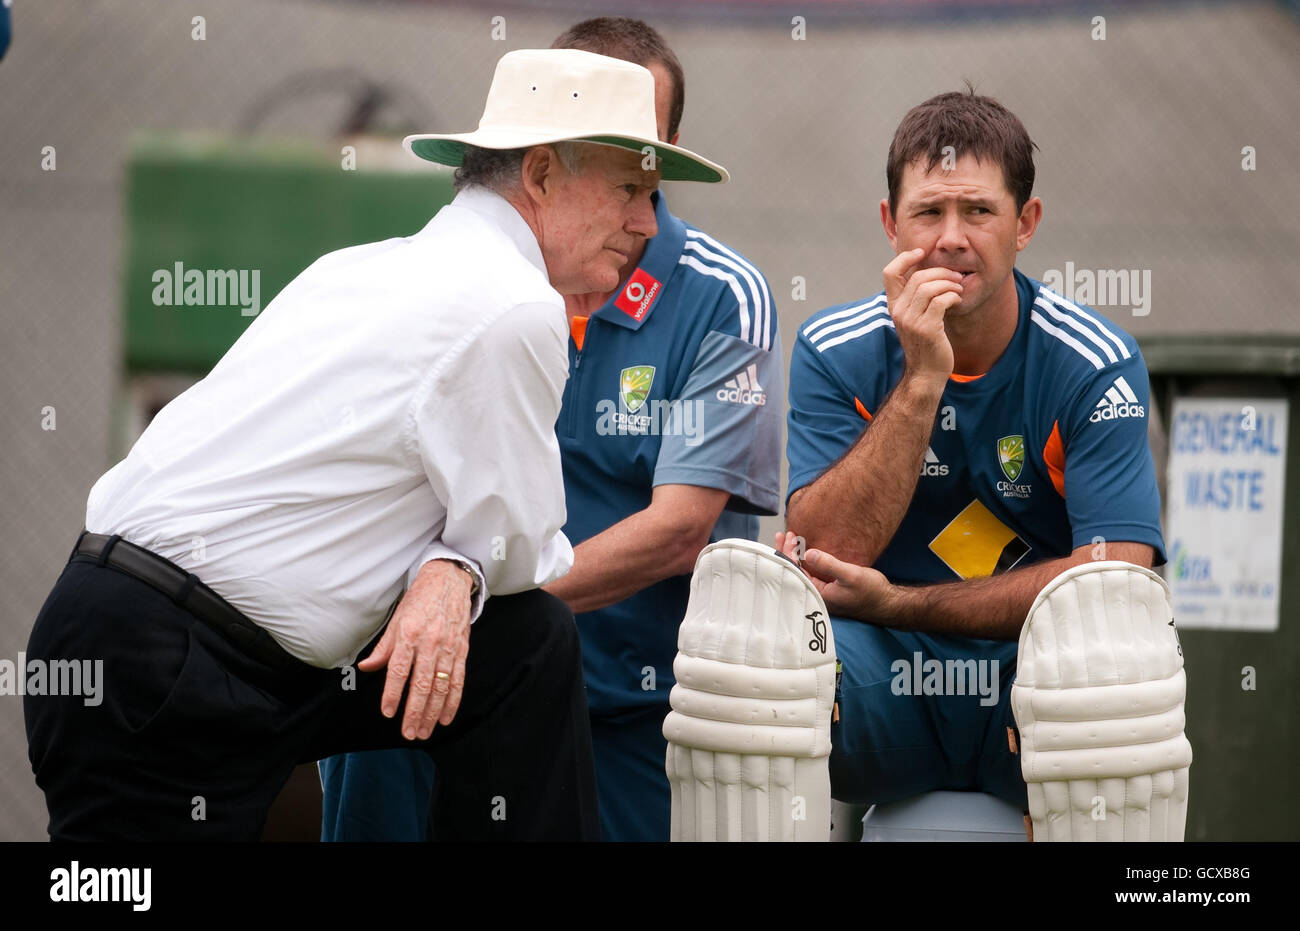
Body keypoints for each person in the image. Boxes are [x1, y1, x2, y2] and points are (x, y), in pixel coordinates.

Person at [23, 48, 728, 841]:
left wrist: (454, 568)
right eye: (631, 189)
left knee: (522, 645)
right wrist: (460, 565)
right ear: (539, 175)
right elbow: (525, 550)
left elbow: (498, 554)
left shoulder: (358, 268)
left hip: (172, 646)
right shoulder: (514, 304)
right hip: (163, 666)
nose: (646, 221)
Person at [319, 18, 782, 843]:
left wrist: (464, 603)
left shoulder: (721, 297)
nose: (606, 151)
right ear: (541, 157)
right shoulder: (463, 277)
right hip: (447, 678)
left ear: (668, 148)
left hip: (639, 711)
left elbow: (679, 532)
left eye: (631, 137)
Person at [780, 88, 1166, 809]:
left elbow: (1113, 578)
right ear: (891, 224)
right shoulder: (835, 349)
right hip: (884, 675)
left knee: (1114, 676)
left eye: (979, 212)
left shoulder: (1094, 363)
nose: (952, 238)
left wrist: (901, 602)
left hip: (1035, 675)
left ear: (1026, 224)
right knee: (770, 666)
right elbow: (822, 548)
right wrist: (924, 376)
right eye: (929, 212)